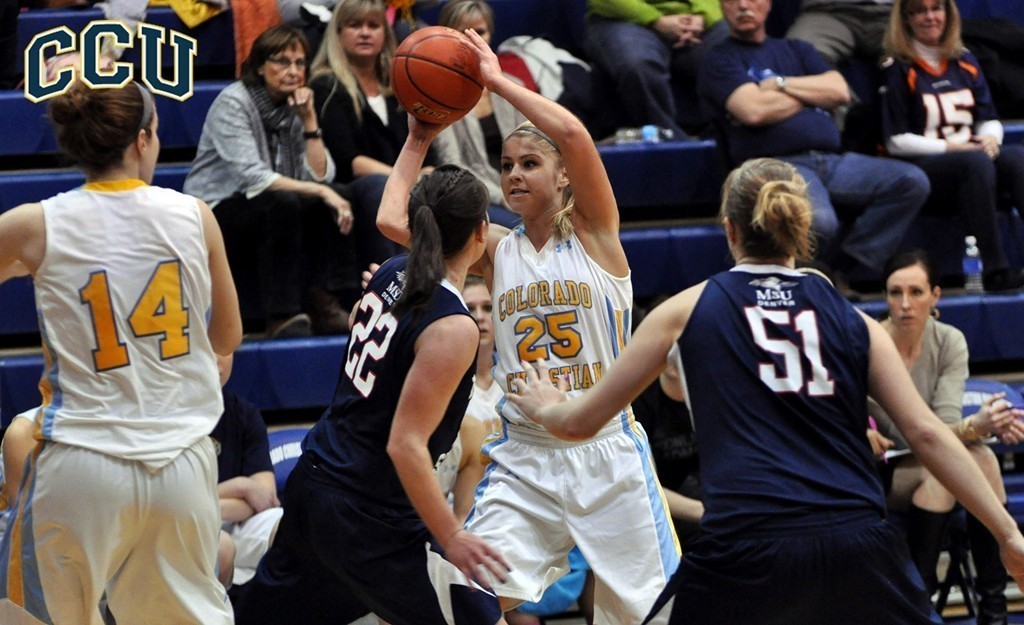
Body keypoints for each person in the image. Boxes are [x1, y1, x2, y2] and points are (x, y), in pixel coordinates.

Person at [507, 157, 1024, 625]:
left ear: (729, 230)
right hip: (855, 539)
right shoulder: (852, 317)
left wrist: (549, 407)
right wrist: (1008, 533)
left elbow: (581, 422)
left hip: (748, 542)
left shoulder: (684, 310)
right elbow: (929, 435)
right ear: (800, 230)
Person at [377, 29, 680, 624]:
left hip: (606, 451)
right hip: (527, 458)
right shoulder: (493, 251)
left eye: (530, 164)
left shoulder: (596, 235)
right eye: (507, 166)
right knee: (461, 599)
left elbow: (572, 133)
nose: (514, 175)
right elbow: (392, 218)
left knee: (653, 617)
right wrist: (417, 138)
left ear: (564, 176)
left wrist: (496, 82)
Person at [0, 80, 242, 625]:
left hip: (83, 459)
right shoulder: (195, 214)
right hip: (181, 462)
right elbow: (227, 335)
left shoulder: (35, 223)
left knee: (33, 618)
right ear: (144, 139)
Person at [233, 157, 510, 624]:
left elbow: (386, 218)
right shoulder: (454, 327)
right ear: (482, 233)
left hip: (317, 480)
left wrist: (418, 137)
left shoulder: (388, 273)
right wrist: (451, 535)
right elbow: (405, 445)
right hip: (370, 513)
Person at [699, 0, 930, 288]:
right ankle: (815, 280)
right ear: (722, 7)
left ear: (769, 5)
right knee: (820, 221)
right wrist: (809, 95)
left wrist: (780, 85)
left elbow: (839, 91)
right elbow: (753, 110)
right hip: (778, 165)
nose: (744, 6)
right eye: (734, 1)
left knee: (911, 181)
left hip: (833, 160)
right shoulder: (720, 59)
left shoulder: (798, 49)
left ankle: (841, 268)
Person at [866, 249, 1024, 624]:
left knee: (980, 460)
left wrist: (975, 429)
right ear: (885, 296)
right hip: (882, 470)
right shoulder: (870, 341)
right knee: (952, 467)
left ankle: (991, 610)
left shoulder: (949, 341)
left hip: (934, 465)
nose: (904, 304)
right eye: (895, 293)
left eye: (916, 292)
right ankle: (923, 607)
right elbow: (924, 436)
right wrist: (976, 428)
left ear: (936, 296)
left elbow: (941, 427)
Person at [184, 24, 357, 339]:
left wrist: (309, 122)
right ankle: (281, 317)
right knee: (287, 201)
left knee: (337, 195)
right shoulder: (234, 102)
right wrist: (320, 190)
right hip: (215, 210)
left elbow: (322, 175)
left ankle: (324, 301)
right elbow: (254, 178)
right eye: (282, 61)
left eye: (300, 63)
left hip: (270, 205)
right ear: (261, 66)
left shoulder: (297, 104)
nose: (293, 71)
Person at [880, 0, 1024, 292]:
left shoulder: (965, 60)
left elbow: (989, 117)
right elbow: (895, 141)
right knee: (976, 163)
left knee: (1016, 158)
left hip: (970, 159)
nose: (930, 17)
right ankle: (995, 269)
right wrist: (951, 149)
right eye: (920, 11)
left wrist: (991, 139)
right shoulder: (897, 68)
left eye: (936, 9)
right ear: (906, 19)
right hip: (923, 167)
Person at [309, 0, 415, 267]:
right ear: (339, 33)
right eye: (355, 25)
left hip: (401, 180)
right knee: (381, 189)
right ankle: (392, 286)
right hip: (356, 187)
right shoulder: (327, 84)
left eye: (373, 25)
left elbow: (425, 142)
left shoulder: (401, 81)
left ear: (385, 33)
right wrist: (404, 179)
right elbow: (349, 160)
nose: (365, 32)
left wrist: (429, 173)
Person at [433, 0, 524, 228]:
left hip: (521, 189)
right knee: (515, 230)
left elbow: (534, 148)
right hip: (475, 195)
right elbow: (453, 165)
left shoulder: (513, 86)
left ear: (491, 34)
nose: (472, 40)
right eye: (461, 33)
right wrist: (502, 196)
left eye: (479, 32)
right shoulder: (436, 94)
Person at [585, 0, 729, 137]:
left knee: (734, 48)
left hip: (694, 19)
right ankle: (670, 141)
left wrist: (704, 16)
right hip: (624, 17)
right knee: (639, 64)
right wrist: (655, 20)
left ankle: (736, 138)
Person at [211, 353, 283, 590]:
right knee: (221, 548)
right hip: (183, 524)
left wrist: (210, 504)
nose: (217, 359)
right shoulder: (169, 416)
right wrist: (241, 486)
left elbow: (264, 499)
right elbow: (173, 504)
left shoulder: (244, 413)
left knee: (289, 527)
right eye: (208, 346)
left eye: (224, 349)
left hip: (236, 521)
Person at [786, 0, 894, 66]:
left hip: (893, 12)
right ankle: (838, 98)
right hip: (826, 10)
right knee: (796, 54)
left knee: (907, 53)